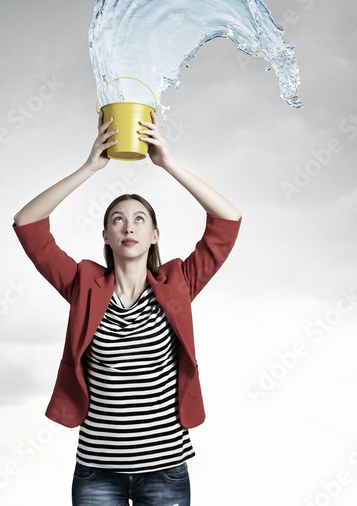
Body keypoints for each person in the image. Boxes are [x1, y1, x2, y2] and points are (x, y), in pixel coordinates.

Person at [12, 111, 241, 506]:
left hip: (165, 470)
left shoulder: (178, 284)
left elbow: (227, 220)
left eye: (139, 220)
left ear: (154, 235)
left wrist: (167, 162)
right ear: (106, 235)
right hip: (97, 472)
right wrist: (90, 167)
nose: (129, 227)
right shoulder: (83, 284)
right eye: (118, 220)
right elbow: (27, 223)